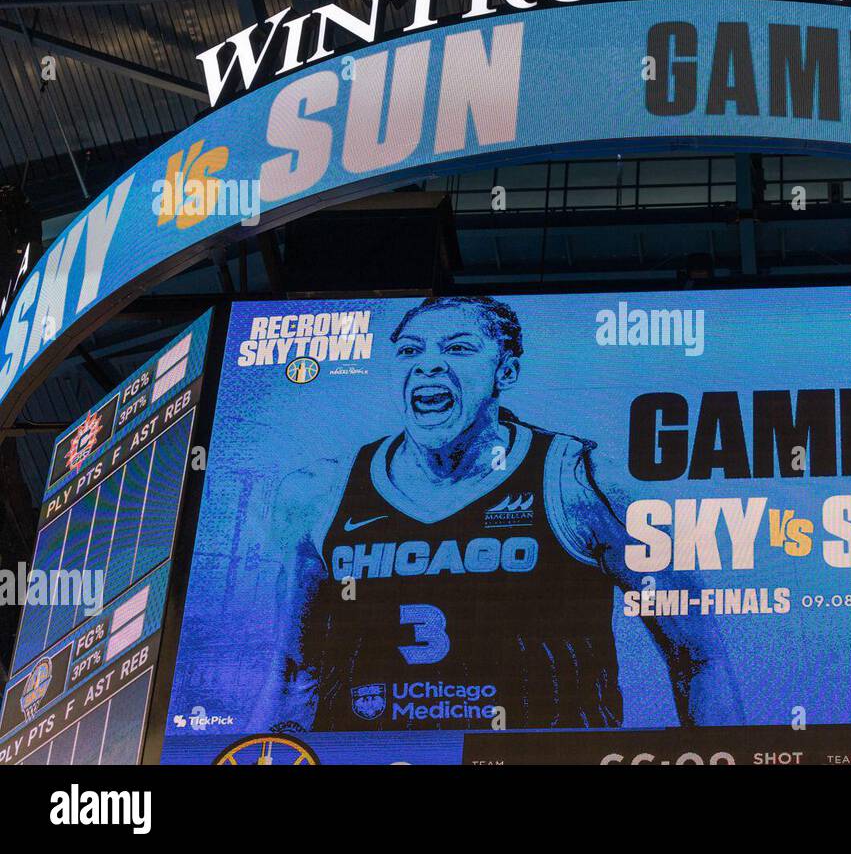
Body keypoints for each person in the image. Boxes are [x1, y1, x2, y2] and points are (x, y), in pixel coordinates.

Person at [251, 296, 743, 731]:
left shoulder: (581, 482)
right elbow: (296, 670)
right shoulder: (318, 493)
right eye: (410, 351)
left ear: (504, 372)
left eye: (458, 349)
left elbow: (697, 657)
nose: (428, 366)